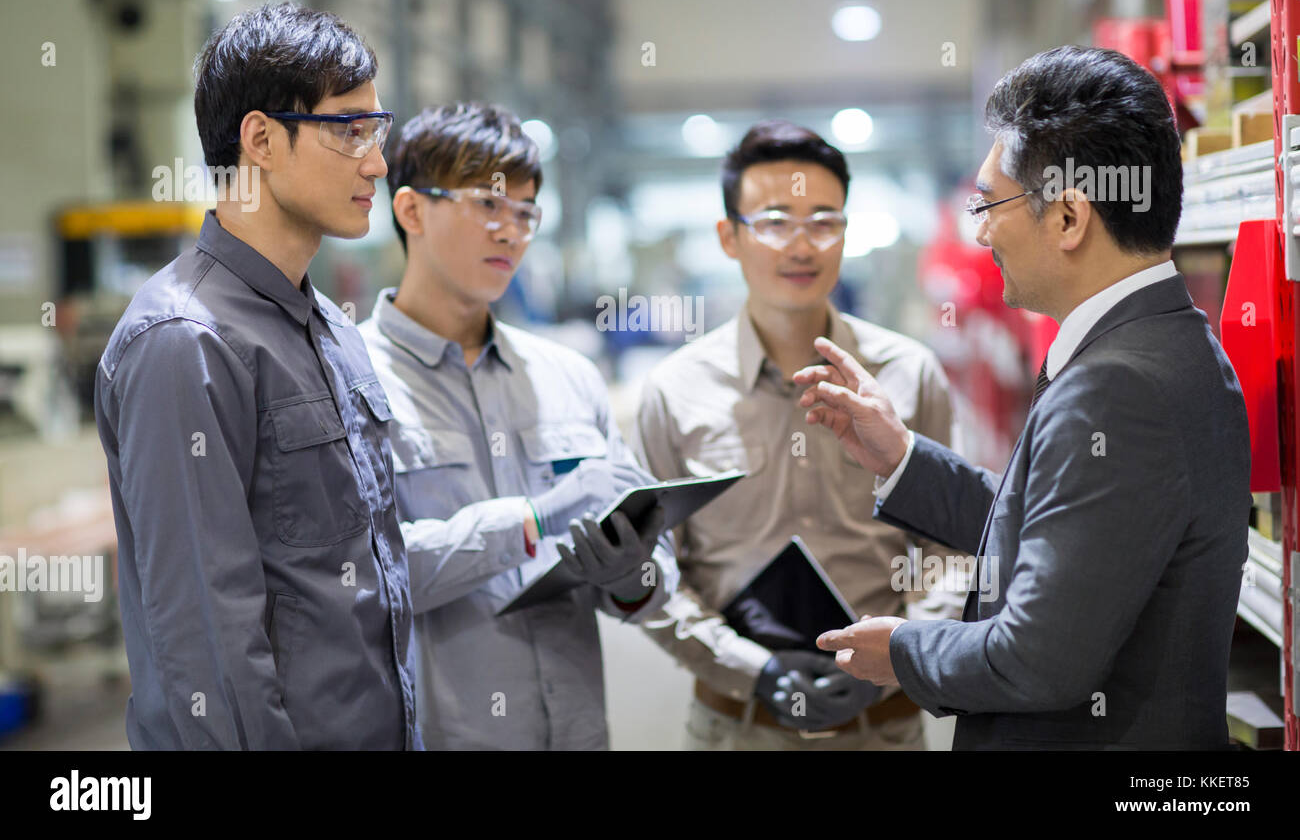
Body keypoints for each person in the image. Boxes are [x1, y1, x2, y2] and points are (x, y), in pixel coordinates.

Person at [803, 45, 1251, 750]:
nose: (980, 233)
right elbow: (1074, 539)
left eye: (990, 205)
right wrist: (904, 459)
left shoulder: (1116, 386)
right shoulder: (1168, 342)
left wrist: (904, 652)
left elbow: (1039, 660)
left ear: (1069, 218)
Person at [93, 2, 419, 749]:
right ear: (262, 139)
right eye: (349, 130)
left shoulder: (332, 330)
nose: (375, 161)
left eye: (378, 131)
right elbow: (208, 644)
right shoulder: (184, 343)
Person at [631, 120, 964, 750]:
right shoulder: (674, 392)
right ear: (729, 236)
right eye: (776, 221)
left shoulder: (907, 374)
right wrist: (751, 669)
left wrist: (904, 651)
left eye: (824, 221)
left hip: (883, 728)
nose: (802, 245)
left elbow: (953, 545)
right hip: (736, 727)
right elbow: (655, 569)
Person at [358, 101, 678, 750]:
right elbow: (364, 576)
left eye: (526, 212)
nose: (511, 232)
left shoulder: (568, 377)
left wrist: (629, 573)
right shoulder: (351, 379)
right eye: (489, 205)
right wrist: (529, 521)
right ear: (412, 210)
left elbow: (658, 577)